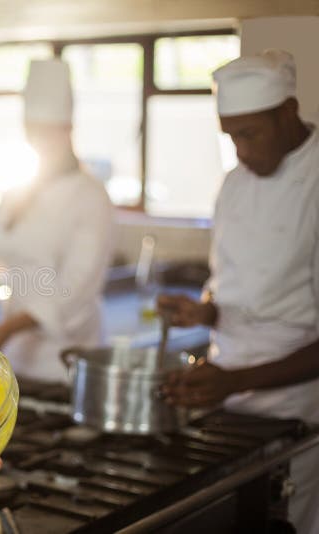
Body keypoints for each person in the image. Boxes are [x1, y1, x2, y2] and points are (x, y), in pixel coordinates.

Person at [158, 49, 319, 533]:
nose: (241, 153)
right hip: (228, 398)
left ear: (288, 111)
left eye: (250, 134)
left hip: (299, 409)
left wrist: (235, 379)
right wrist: (203, 313)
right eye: (231, 138)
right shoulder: (234, 184)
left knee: (283, 520)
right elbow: (232, 286)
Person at [0, 58, 114, 382]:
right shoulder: (18, 191)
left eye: (47, 133)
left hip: (68, 361)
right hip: (15, 356)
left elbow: (76, 288)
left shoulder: (91, 197)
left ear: (68, 130)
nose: (39, 142)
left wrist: (6, 328)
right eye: (32, 133)